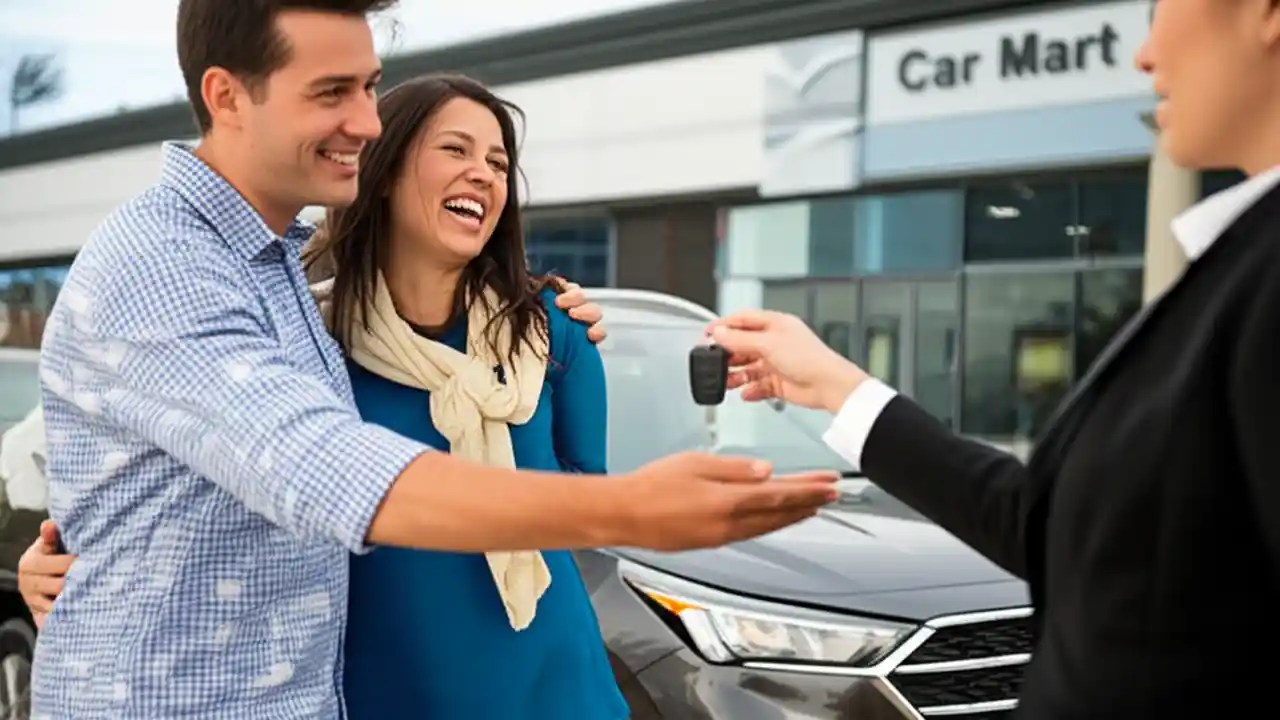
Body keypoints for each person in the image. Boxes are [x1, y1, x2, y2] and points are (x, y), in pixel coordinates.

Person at [28, 1, 839, 717]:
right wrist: (635, 508)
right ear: (226, 95)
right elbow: (323, 465)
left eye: (369, 87)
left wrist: (93, 554)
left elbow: (161, 486)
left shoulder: (271, 263)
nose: (367, 122)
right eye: (331, 92)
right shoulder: (169, 267)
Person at [699, 3, 1280, 718]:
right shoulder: (1239, 262)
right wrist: (837, 387)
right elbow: (1051, 530)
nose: (1144, 54)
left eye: (1164, 8)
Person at [23, 71, 631, 720]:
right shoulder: (303, 338)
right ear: (386, 168)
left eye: (499, 162)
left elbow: (582, 499)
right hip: (378, 690)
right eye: (455, 150)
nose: (483, 173)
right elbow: (165, 480)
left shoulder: (554, 331)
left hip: (557, 688)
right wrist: (59, 565)